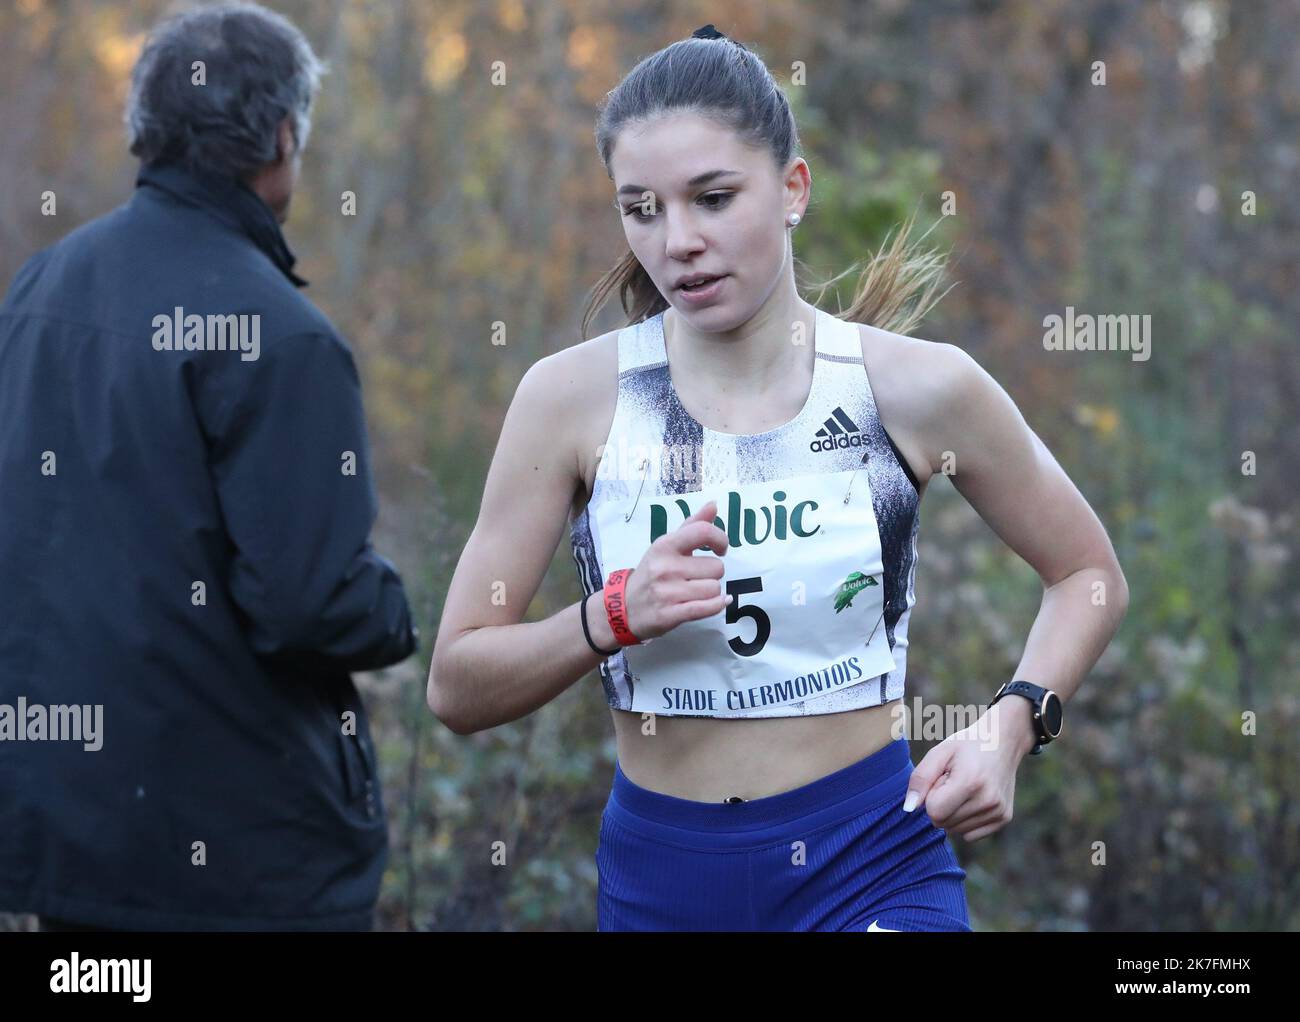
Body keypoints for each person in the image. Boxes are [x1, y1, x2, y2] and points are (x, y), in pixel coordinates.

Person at [427, 24, 1128, 931]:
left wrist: (1013, 723)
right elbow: (456, 682)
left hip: (870, 860)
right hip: (664, 876)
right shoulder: (569, 400)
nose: (677, 241)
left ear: (792, 188)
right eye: (641, 209)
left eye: (712, 198)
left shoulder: (914, 386)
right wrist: (609, 617)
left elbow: (1088, 576)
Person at [0, 2, 417, 931]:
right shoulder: (287, 339)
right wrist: (398, 611)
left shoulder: (37, 290)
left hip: (67, 838)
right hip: (237, 858)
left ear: (147, 129)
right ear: (280, 139)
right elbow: (309, 604)